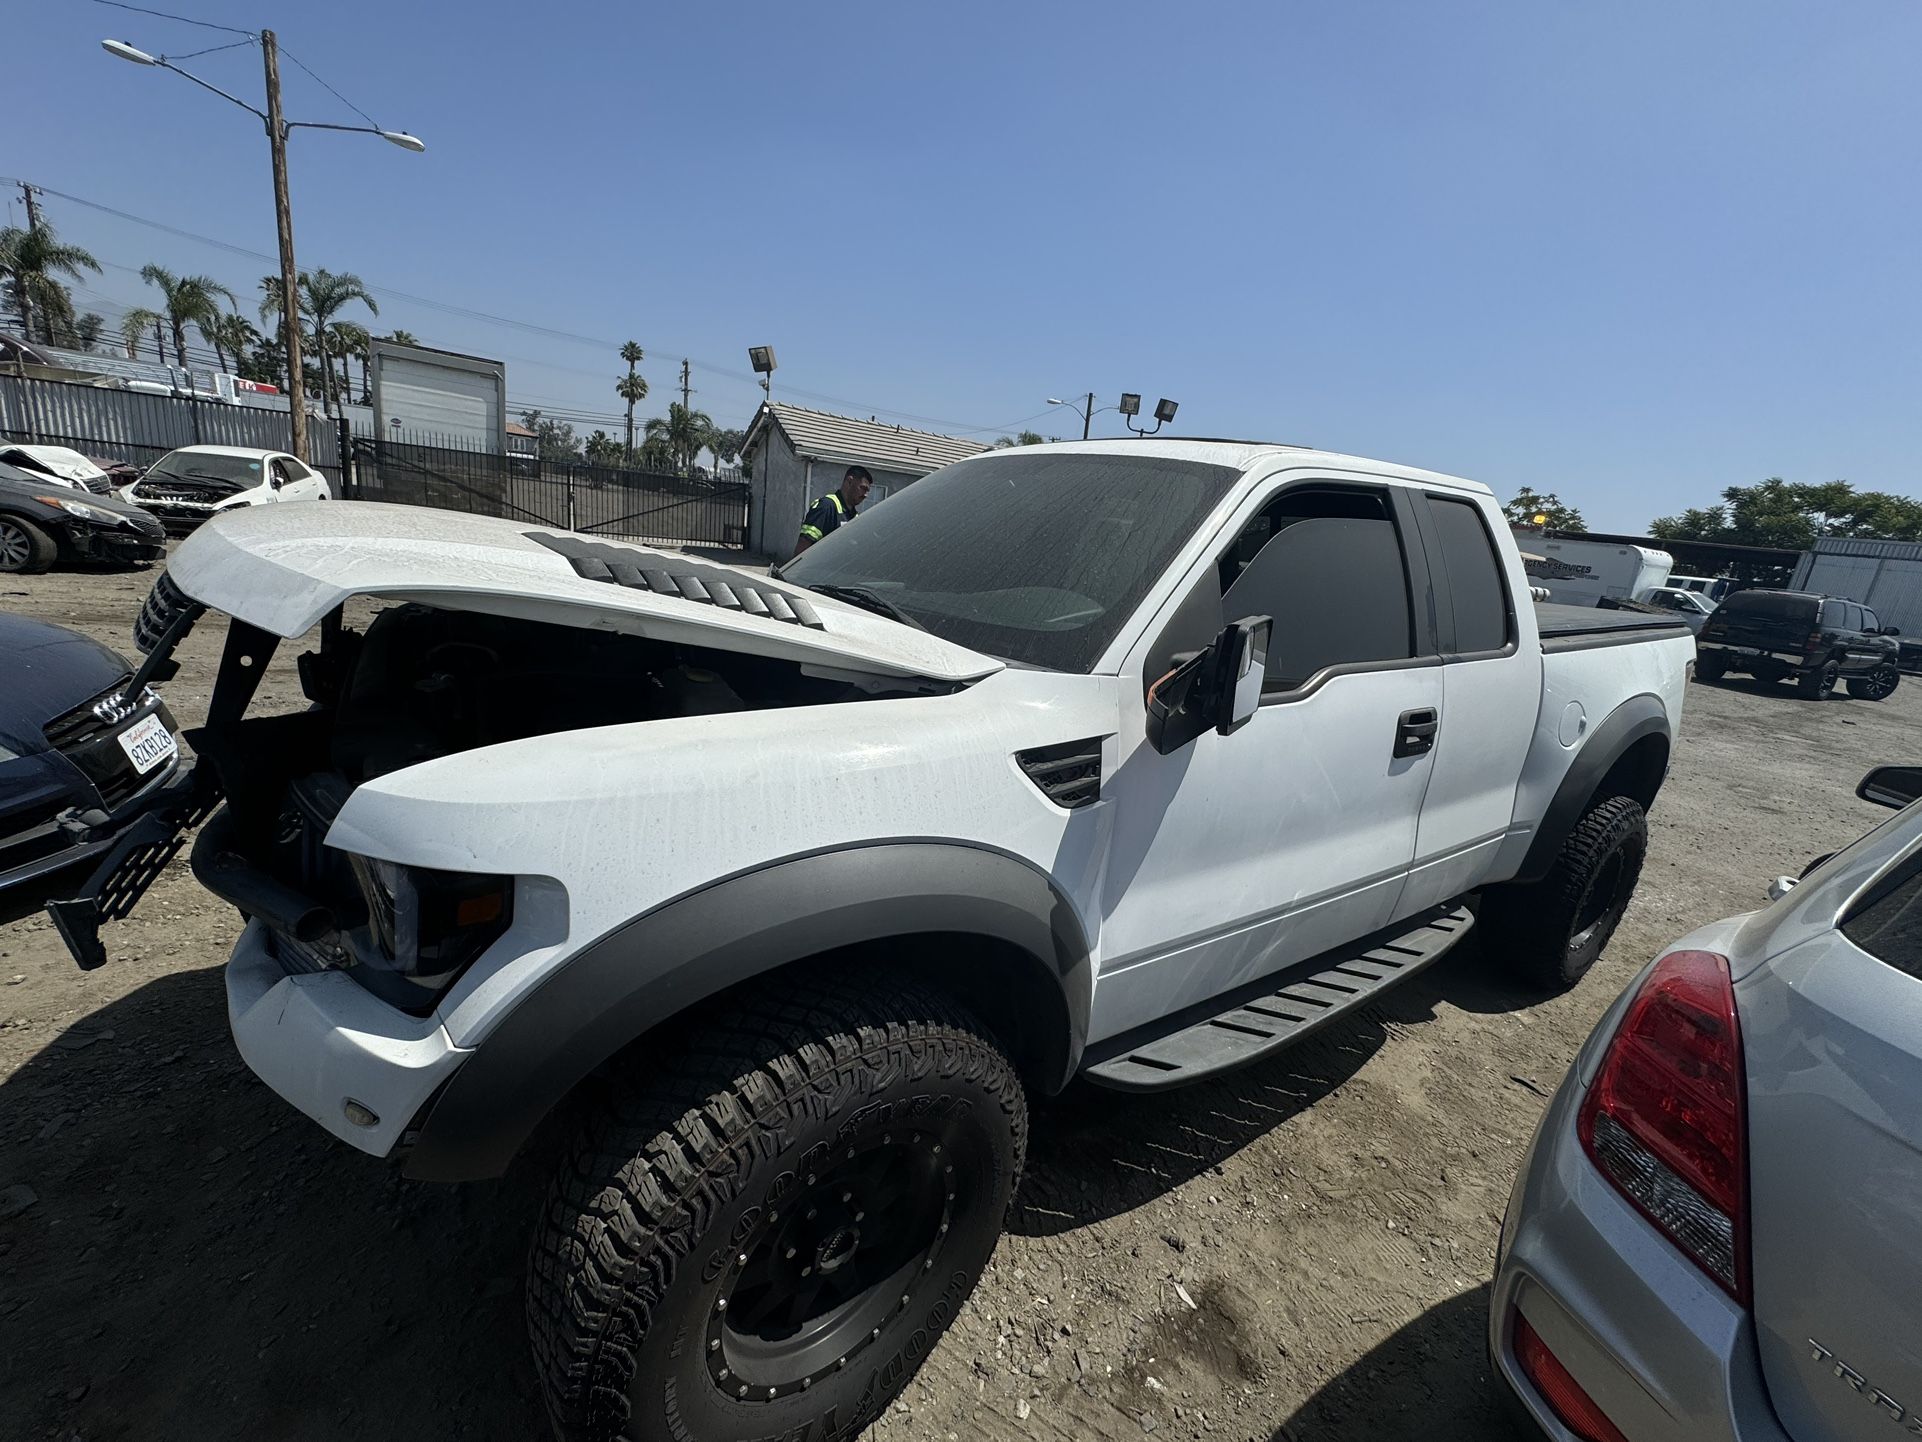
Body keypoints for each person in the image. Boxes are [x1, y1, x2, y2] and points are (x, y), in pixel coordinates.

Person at [793, 465, 872, 557]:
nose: (865, 495)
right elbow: (803, 545)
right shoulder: (826, 506)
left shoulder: (854, 516)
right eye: (863, 488)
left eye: (868, 491)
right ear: (849, 481)